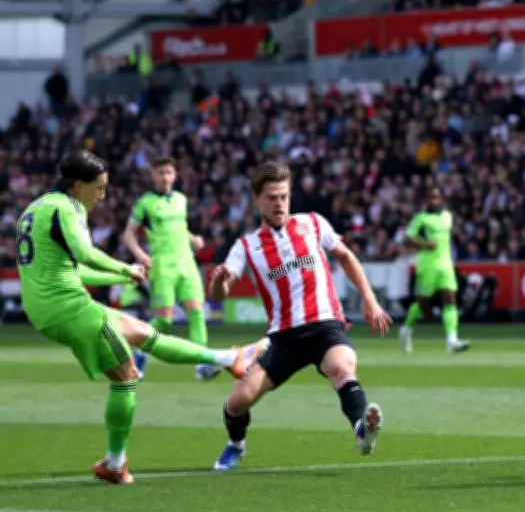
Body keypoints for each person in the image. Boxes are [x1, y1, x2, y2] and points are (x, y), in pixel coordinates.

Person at [16, 150, 267, 485]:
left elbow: (72, 270)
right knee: (126, 376)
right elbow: (86, 254)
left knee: (143, 332)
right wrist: (125, 267)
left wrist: (123, 278)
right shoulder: (68, 207)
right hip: (67, 307)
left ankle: (229, 357)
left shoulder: (36, 208)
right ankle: (115, 465)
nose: (103, 195)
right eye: (99, 188)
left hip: (51, 302)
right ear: (78, 186)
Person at [208, 162, 392, 471]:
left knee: (342, 365)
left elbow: (346, 257)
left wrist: (370, 301)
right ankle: (236, 444)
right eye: (271, 197)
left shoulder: (313, 223)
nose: (279, 203)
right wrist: (216, 281)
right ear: (256, 199)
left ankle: (362, 429)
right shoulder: (246, 246)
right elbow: (220, 293)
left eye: (284, 196)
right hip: (284, 339)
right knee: (239, 400)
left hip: (325, 325)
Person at [122, 157, 219, 381]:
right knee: (164, 320)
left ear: (175, 175)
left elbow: (179, 228)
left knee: (196, 313)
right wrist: (141, 255)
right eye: (161, 172)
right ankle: (138, 352)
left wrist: (194, 239)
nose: (165, 177)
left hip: (187, 264)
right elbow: (128, 234)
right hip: (163, 266)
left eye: (169, 172)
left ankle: (202, 366)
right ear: (153, 176)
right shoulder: (145, 203)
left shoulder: (180, 199)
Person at [398, 186, 470, 353]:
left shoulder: (447, 217)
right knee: (423, 304)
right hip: (427, 265)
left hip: (445, 264)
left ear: (441, 200)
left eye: (436, 197)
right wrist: (424, 244)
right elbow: (407, 238)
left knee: (450, 298)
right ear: (426, 201)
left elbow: (449, 235)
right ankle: (406, 329)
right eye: (430, 198)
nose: (434, 201)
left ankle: (452, 340)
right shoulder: (420, 219)